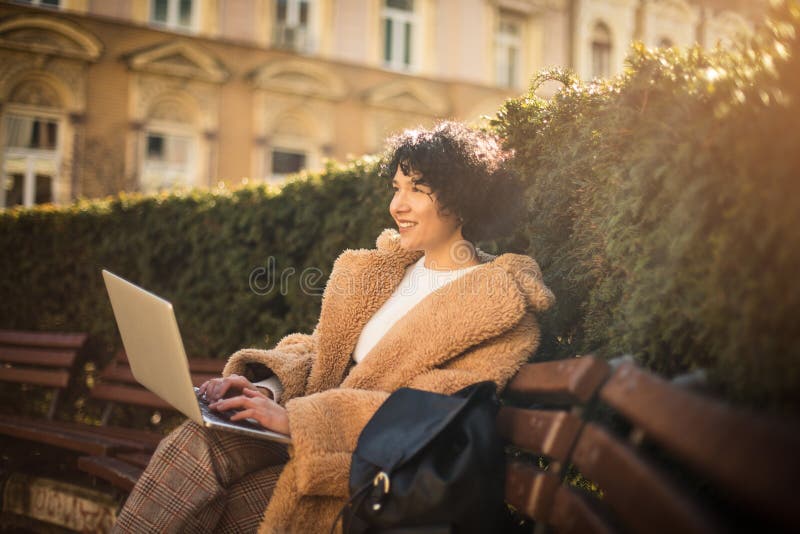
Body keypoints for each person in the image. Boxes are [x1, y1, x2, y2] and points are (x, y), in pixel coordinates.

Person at [113, 121, 555, 533]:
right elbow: (320, 349)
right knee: (195, 440)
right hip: (302, 429)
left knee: (223, 511)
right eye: (396, 187)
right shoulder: (379, 271)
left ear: (462, 200)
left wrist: (299, 420)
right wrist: (264, 389)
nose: (397, 205)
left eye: (417, 190)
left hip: (366, 467)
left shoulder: (497, 305)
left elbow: (430, 413)